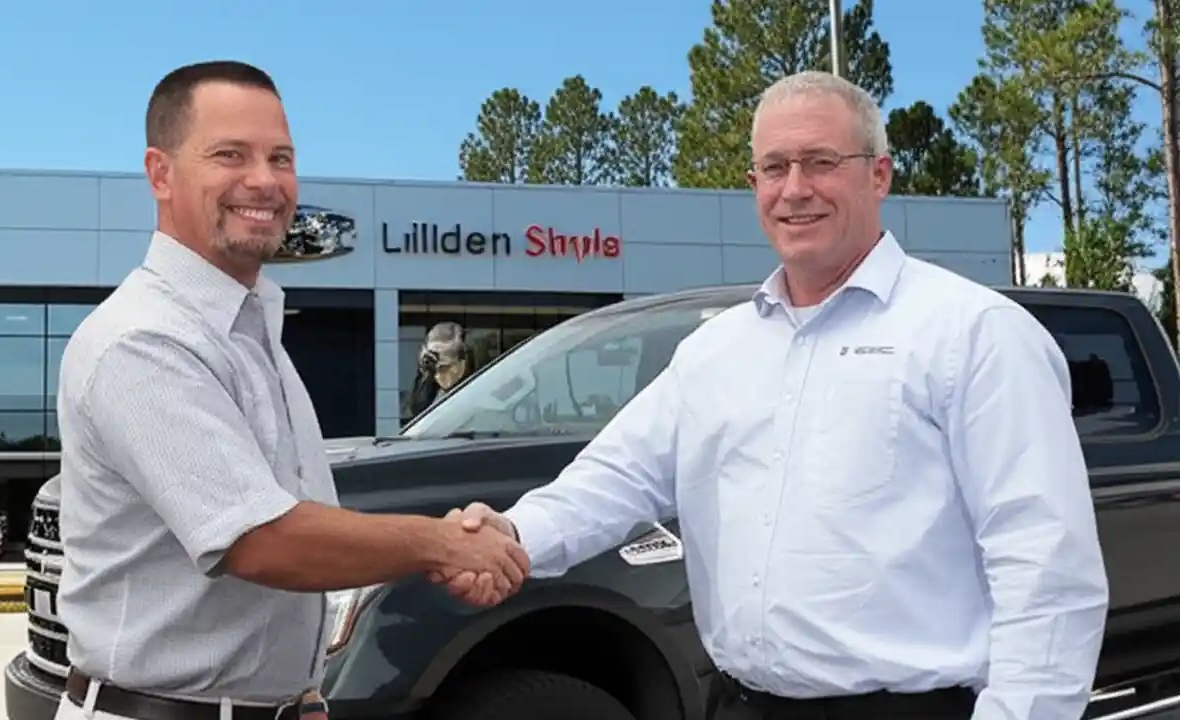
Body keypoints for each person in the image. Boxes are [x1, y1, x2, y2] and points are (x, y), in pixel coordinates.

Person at [434, 70, 1109, 720]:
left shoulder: (974, 333)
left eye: (821, 162)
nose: (794, 189)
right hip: (741, 704)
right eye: (774, 167)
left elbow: (1046, 564)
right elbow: (616, 478)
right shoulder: (716, 351)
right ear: (753, 183)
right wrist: (514, 534)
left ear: (879, 174)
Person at [52, 60, 528, 720]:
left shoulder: (251, 331)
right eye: (230, 155)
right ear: (160, 173)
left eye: (281, 158)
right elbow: (261, 540)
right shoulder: (143, 341)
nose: (265, 181)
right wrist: (444, 543)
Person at [404, 321, 474, 420]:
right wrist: (426, 373)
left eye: (444, 368)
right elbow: (416, 411)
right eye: (434, 370)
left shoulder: (479, 391)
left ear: (462, 363)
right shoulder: (433, 393)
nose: (438, 376)